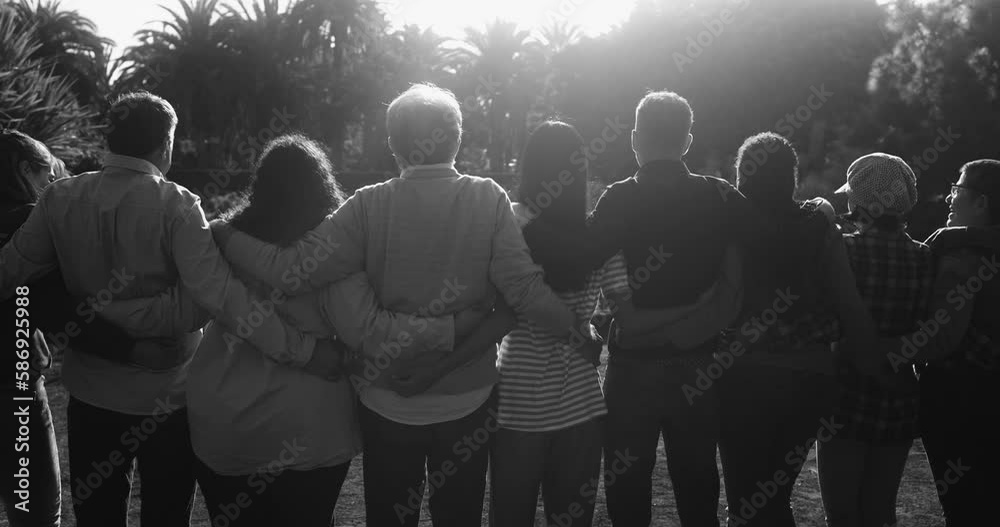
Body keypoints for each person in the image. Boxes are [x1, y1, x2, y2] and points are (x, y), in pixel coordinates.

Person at [206, 84, 597, 526]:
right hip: (467, 401)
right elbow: (524, 290)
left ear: (394, 145)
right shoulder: (488, 198)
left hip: (386, 399)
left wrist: (222, 232)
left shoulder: (369, 205)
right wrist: (576, 329)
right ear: (458, 138)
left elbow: (290, 270)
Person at [0, 92, 342, 527]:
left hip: (91, 391)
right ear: (166, 143)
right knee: (167, 514)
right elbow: (215, 298)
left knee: (97, 515)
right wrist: (306, 352)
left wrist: (96, 314)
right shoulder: (179, 204)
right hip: (169, 397)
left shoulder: (59, 198)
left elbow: (10, 272)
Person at [485, 121, 740, 527]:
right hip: (580, 401)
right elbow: (630, 316)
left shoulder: (510, 225)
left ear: (528, 167)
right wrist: (695, 304)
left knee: (511, 517)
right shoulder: (597, 238)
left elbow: (513, 297)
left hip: (518, 396)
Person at [716, 134, 883, 527]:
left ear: (743, 176)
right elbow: (847, 299)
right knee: (774, 494)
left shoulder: (728, 226)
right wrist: (875, 362)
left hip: (744, 377)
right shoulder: (820, 225)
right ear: (791, 177)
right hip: (809, 378)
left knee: (746, 499)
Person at [815, 153, 935, 527]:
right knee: (881, 510)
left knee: (842, 514)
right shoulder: (925, 256)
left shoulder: (844, 250)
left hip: (845, 395)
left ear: (861, 202)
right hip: (898, 397)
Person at [917, 159, 1000, 526]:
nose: (950, 198)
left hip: (960, 396)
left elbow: (941, 339)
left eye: (958, 190)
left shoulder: (961, 257)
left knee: (965, 505)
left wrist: (888, 349)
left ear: (981, 202)